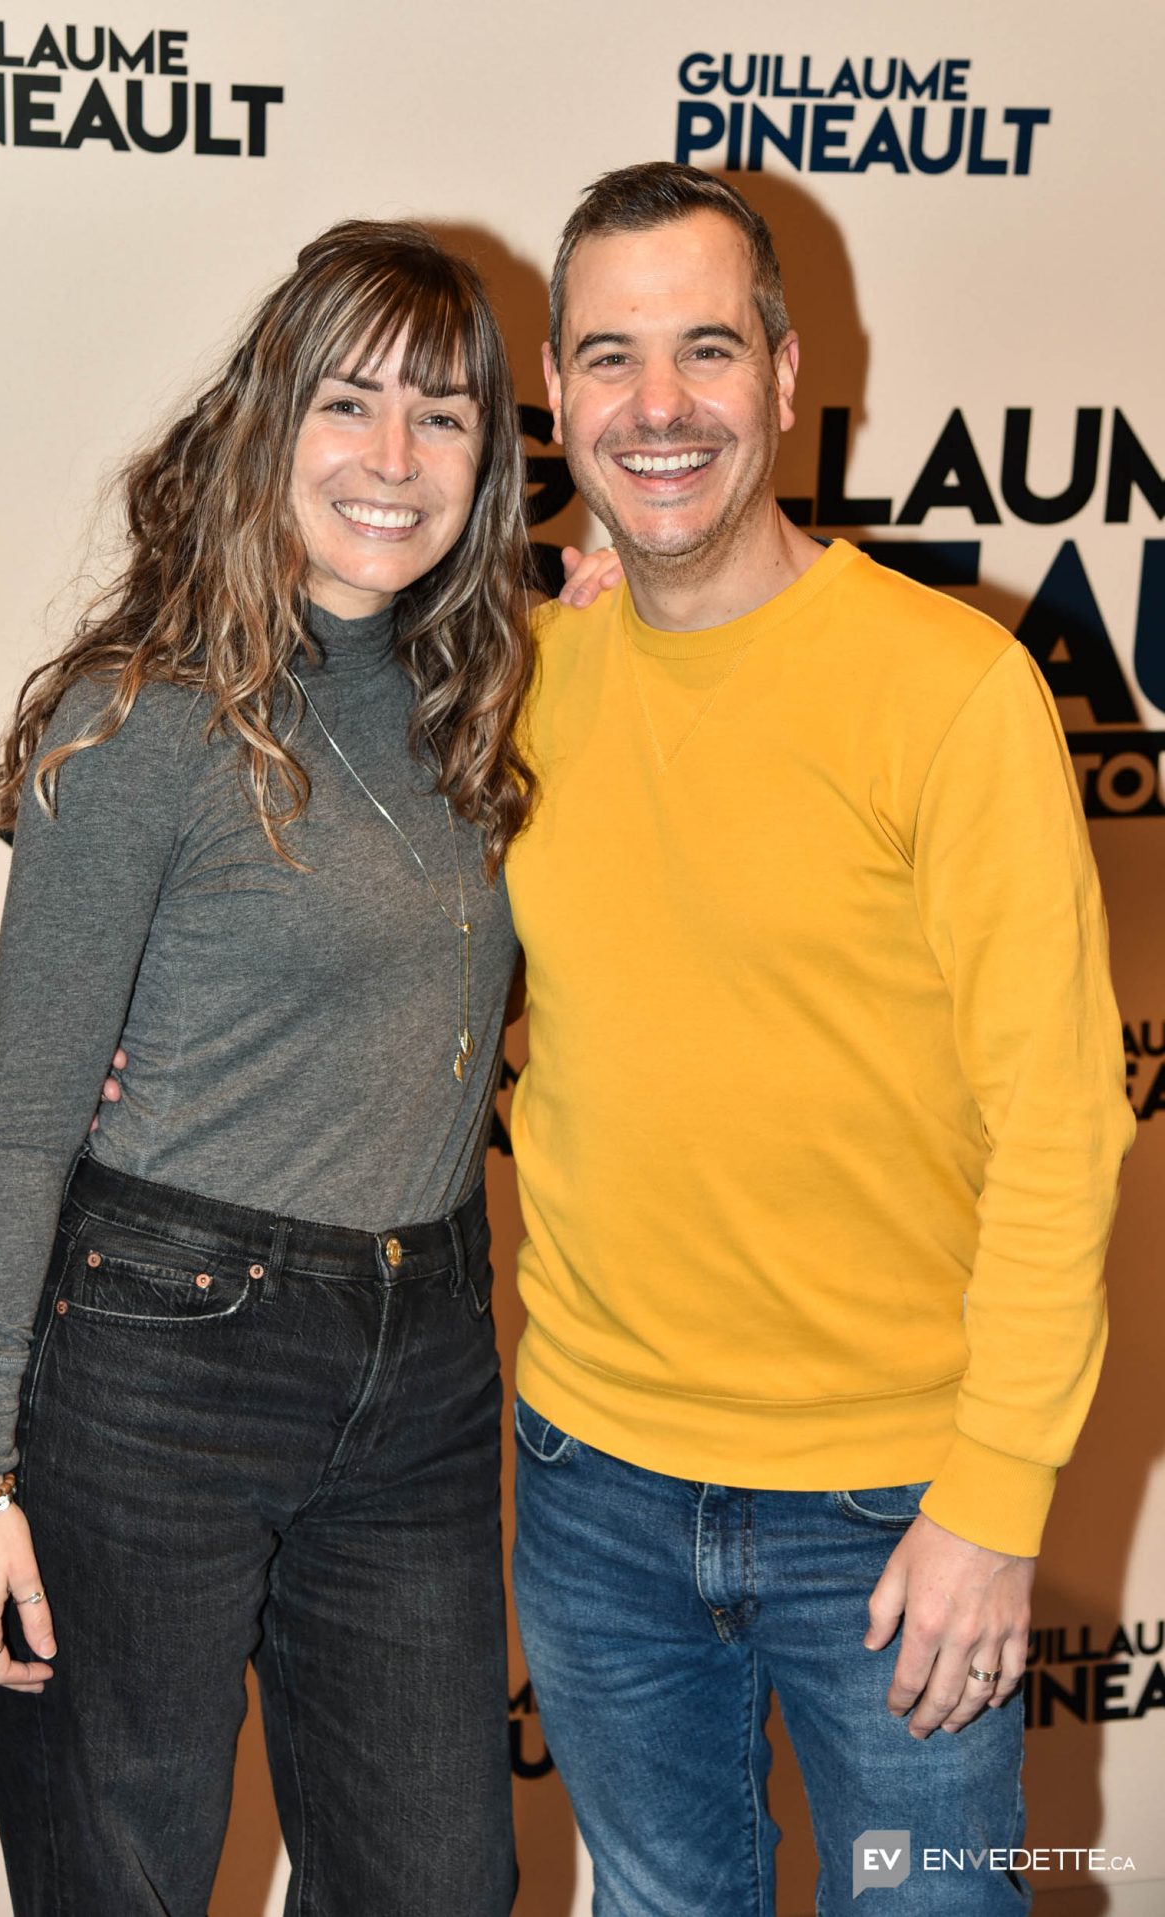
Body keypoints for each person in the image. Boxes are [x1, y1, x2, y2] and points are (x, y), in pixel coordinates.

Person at [505, 162, 1134, 1915]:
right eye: (612, 357)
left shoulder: (951, 690)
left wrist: (994, 1500)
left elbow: (1061, 1123)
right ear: (556, 392)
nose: (659, 405)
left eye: (707, 349)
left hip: (891, 1502)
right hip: (591, 1483)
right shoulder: (525, 674)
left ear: (785, 375)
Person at [0, 219, 542, 1917]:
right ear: (271, 418)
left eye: (442, 414)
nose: (393, 457)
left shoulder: (491, 701)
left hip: (424, 1361)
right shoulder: (142, 719)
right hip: (160, 1358)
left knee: (439, 1886)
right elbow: (28, 1122)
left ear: (488, 459)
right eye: (349, 401)